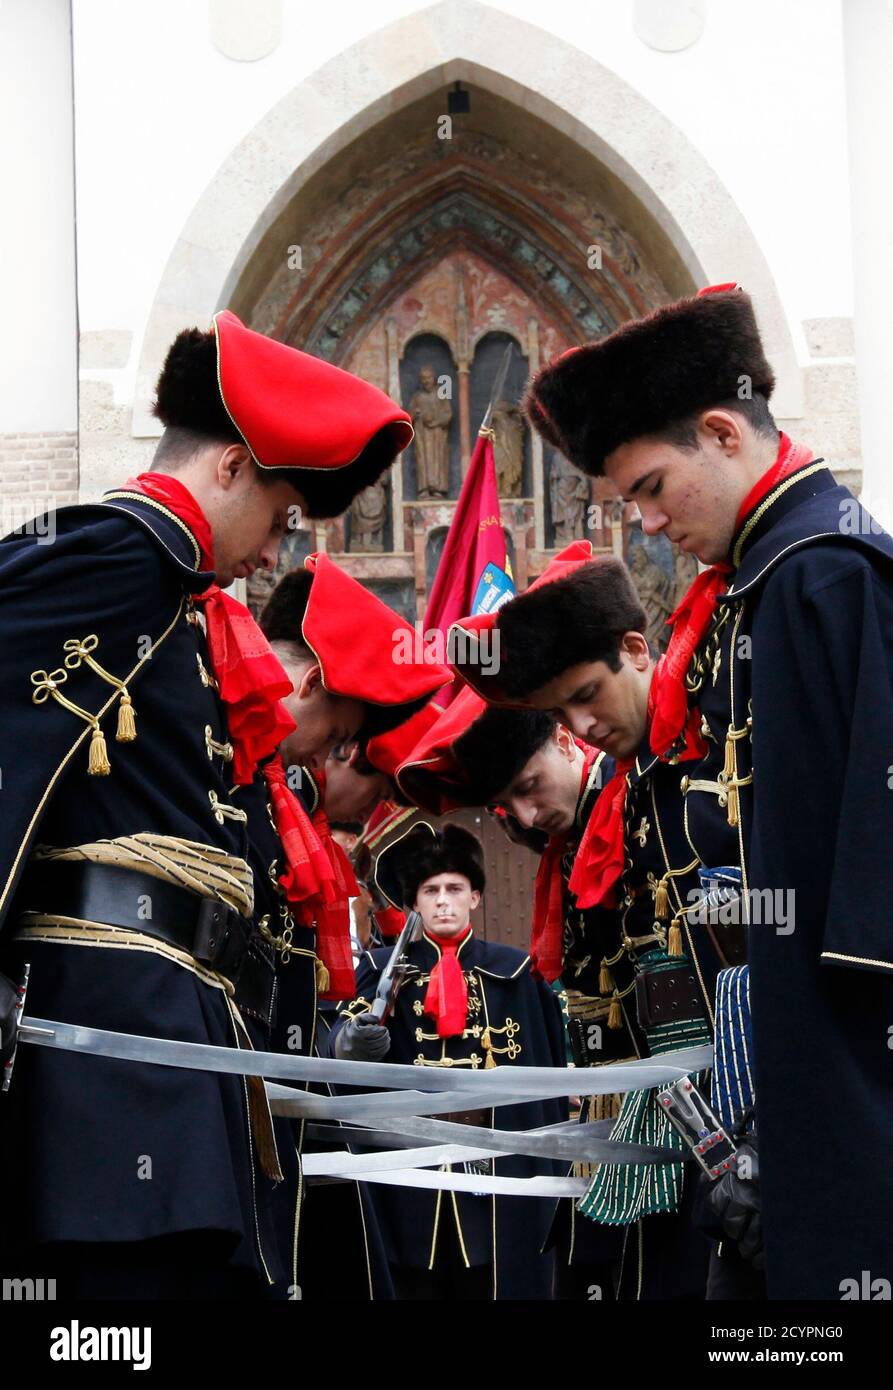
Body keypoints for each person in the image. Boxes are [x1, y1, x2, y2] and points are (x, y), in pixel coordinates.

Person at [0, 309, 412, 1298]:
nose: (274, 552)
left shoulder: (168, 593)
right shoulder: (113, 557)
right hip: (107, 1049)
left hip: (175, 1040)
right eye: (278, 517)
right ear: (230, 466)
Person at [523, 282, 893, 1300]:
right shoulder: (757, 587)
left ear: (722, 431)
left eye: (649, 486)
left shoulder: (824, 575)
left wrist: (790, 1126)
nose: (643, 524)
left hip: (837, 1086)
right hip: (769, 1078)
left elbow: (857, 899)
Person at [447, 543, 727, 1298]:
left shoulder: (696, 756)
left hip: (730, 1102)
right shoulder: (620, 799)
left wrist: (674, 1082)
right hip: (675, 1104)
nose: (581, 724)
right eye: (558, 711)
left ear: (636, 650)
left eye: (586, 696)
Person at [328, 822, 568, 1300]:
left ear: (475, 897)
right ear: (414, 902)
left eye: (454, 889)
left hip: (493, 1165)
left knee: (491, 1276)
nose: (442, 901)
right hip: (406, 1169)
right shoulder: (379, 970)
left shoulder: (516, 974)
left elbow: (549, 1077)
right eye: (430, 890)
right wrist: (352, 1041)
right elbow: (337, 1038)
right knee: (414, 1279)